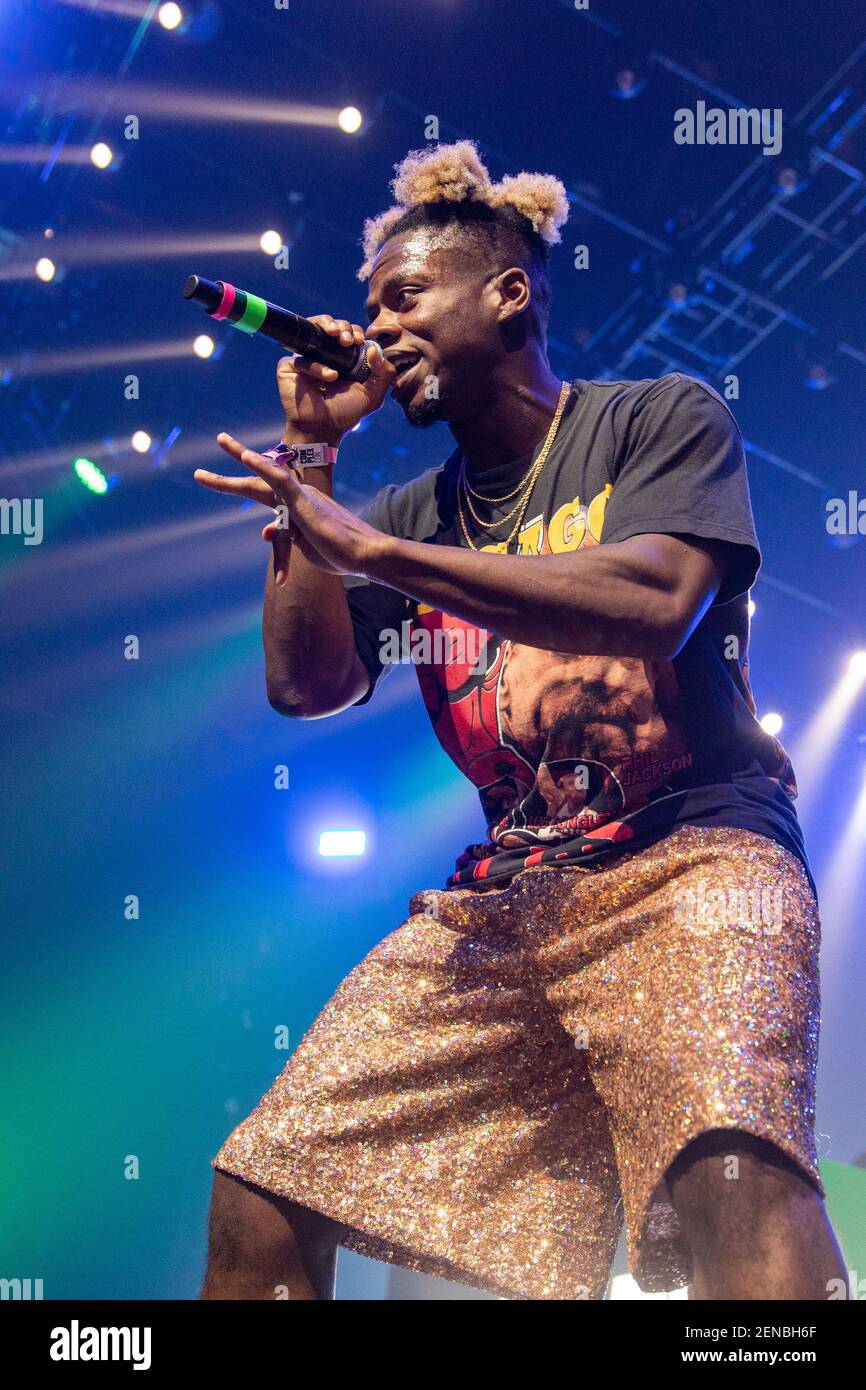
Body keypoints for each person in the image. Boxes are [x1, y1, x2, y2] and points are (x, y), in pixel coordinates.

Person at [193, 141, 845, 1301]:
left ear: (506, 293)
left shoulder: (655, 419)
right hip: (506, 899)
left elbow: (653, 605)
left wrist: (384, 554)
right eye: (366, 309)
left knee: (729, 1176)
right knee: (267, 1181)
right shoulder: (406, 506)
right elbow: (308, 684)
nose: (377, 329)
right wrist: (313, 462)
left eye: (404, 298)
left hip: (689, 858)